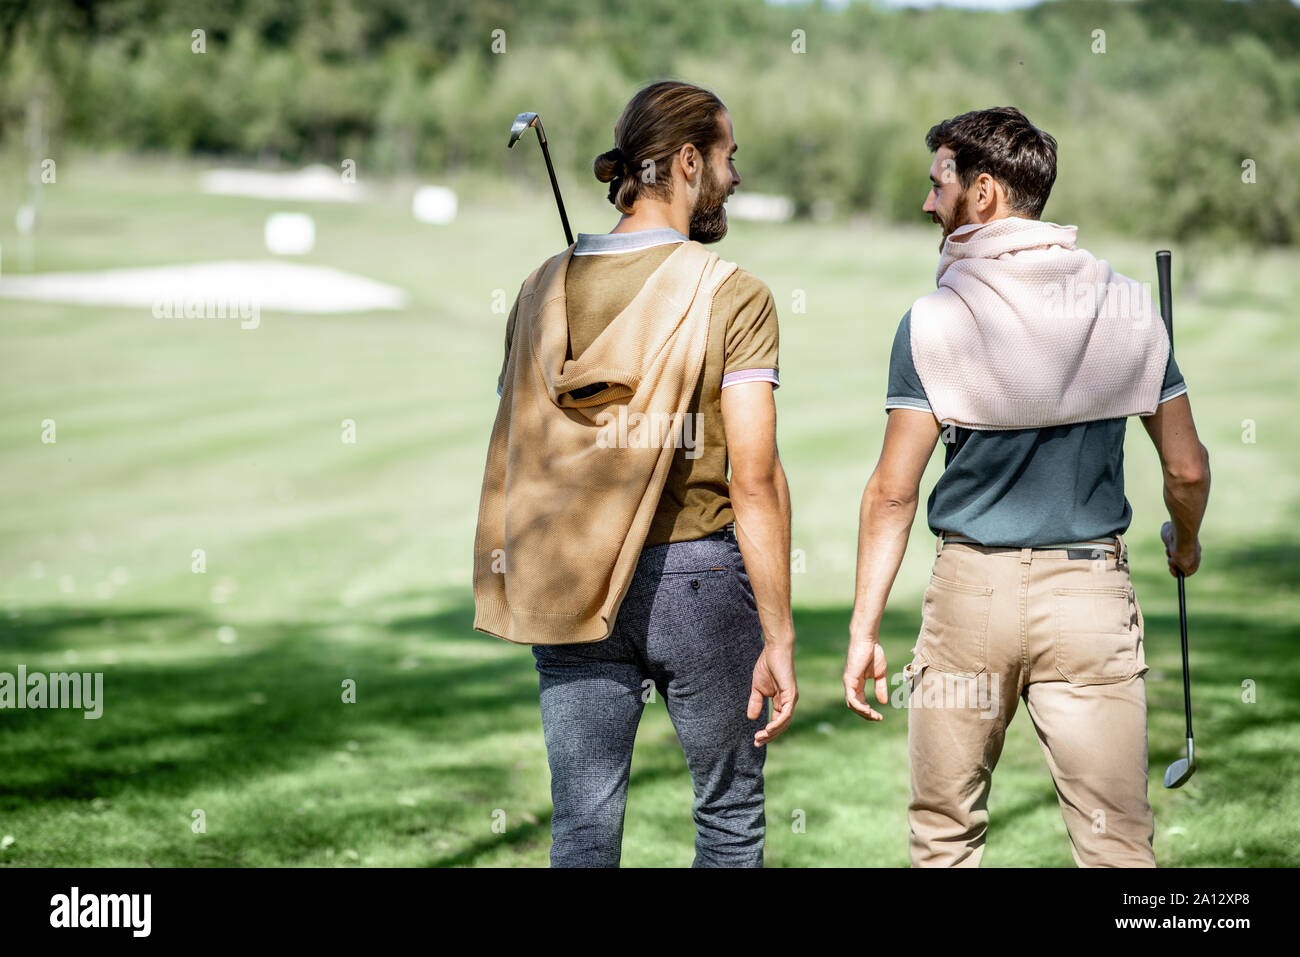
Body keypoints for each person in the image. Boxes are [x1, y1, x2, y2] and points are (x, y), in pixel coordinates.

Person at [842, 106, 1211, 867]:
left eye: (936, 183)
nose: (926, 203)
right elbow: (1188, 469)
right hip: (1090, 599)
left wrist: (863, 628)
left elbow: (891, 494)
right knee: (1116, 843)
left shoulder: (933, 319)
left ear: (982, 194)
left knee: (944, 836)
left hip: (969, 595)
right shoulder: (1126, 303)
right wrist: (1187, 538)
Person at [473, 81, 797, 867]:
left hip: (570, 574)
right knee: (728, 818)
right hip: (700, 580)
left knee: (583, 827)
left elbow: (528, 433)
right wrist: (781, 634)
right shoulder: (735, 292)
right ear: (688, 162)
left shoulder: (539, 286)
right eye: (728, 159)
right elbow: (753, 479)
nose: (735, 178)